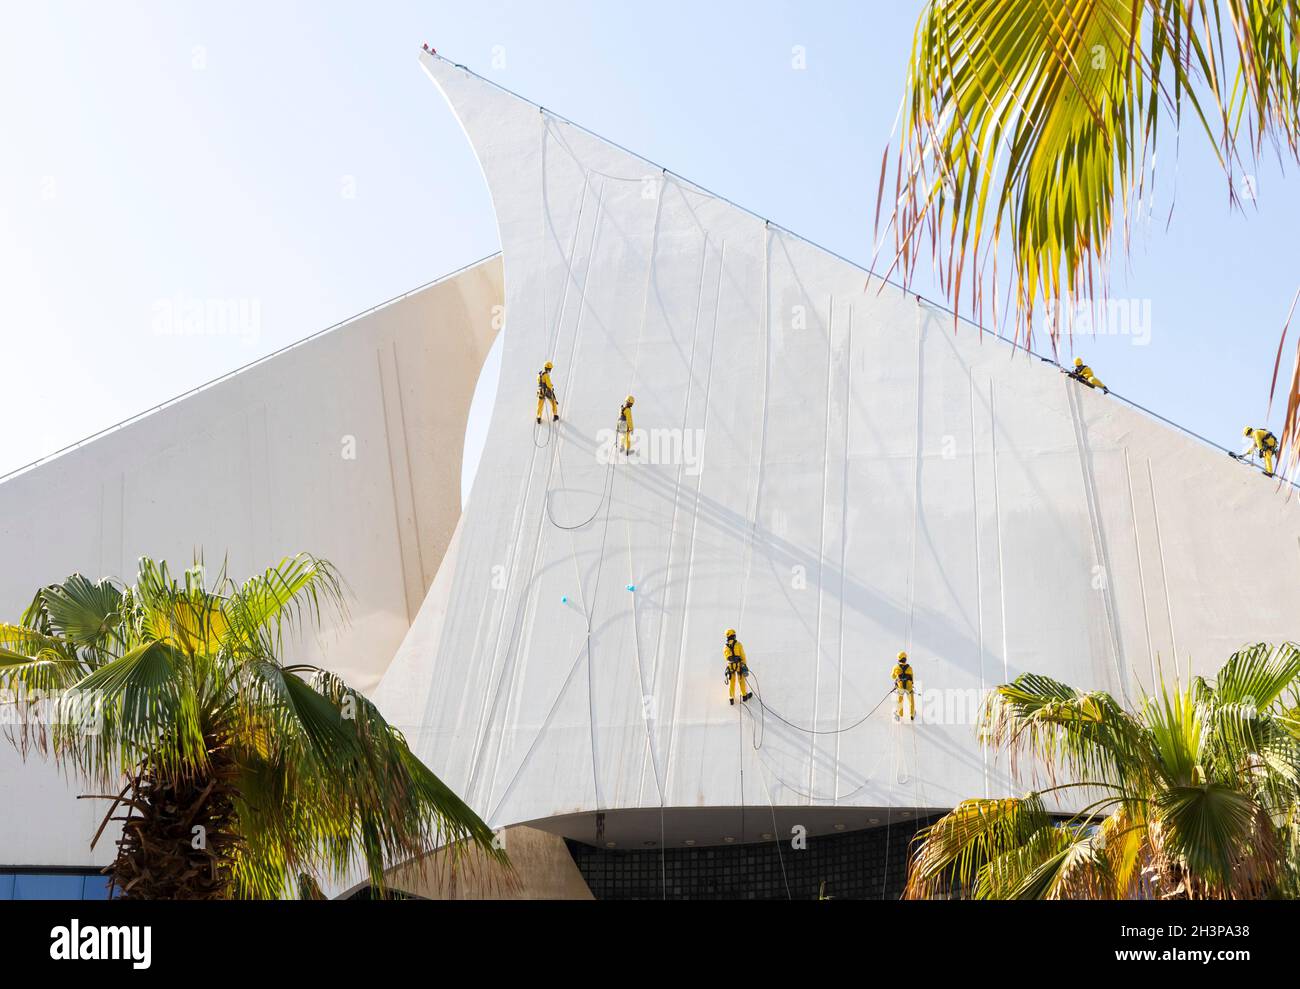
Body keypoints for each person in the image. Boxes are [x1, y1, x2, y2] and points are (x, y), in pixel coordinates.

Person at [724, 628, 751, 706]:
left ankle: (731, 698)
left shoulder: (725, 647)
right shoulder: (738, 644)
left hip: (731, 666)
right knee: (741, 680)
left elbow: (727, 658)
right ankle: (744, 695)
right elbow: (742, 655)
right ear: (733, 636)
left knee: (732, 682)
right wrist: (744, 665)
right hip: (739, 665)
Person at [892, 651, 915, 722]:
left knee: (900, 700)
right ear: (905, 659)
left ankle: (900, 713)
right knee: (911, 701)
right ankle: (912, 715)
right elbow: (912, 678)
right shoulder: (910, 668)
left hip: (900, 687)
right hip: (909, 688)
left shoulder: (896, 667)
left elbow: (893, 676)